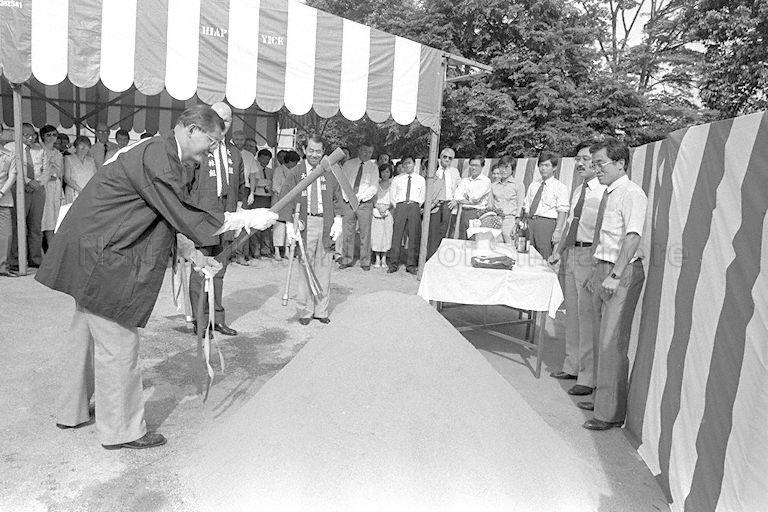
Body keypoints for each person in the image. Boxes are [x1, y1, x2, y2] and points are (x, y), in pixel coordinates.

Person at [35, 105, 278, 449]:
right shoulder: (158, 158)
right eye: (211, 140)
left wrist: (195, 255)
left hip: (90, 246)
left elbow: (166, 217)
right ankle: (122, 430)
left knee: (85, 335)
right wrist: (246, 219)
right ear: (191, 129)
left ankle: (71, 410)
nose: (212, 149)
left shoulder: (163, 154)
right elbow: (185, 215)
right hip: (104, 255)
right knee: (119, 343)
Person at [580, 138, 647, 431]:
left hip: (622, 271)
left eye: (600, 163)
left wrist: (615, 275)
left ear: (621, 163)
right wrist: (597, 271)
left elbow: (632, 238)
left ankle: (610, 413)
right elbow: (606, 238)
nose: (596, 169)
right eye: (594, 164)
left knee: (611, 341)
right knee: (600, 338)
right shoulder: (610, 193)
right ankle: (600, 399)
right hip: (604, 266)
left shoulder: (632, 194)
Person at [547, 141, 606, 397]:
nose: (580, 163)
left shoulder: (603, 191)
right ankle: (571, 365)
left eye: (585, 159)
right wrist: (558, 252)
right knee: (571, 312)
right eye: (578, 158)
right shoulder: (578, 190)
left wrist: (595, 262)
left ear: (596, 163)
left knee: (587, 315)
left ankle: (587, 376)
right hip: (571, 253)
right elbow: (572, 224)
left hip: (589, 255)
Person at [187, 102, 246, 338]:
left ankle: (217, 318)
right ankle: (199, 321)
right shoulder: (198, 149)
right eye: (218, 119)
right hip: (203, 219)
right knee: (200, 269)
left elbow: (240, 187)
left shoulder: (235, 153)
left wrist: (239, 213)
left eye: (228, 120)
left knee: (219, 271)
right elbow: (187, 186)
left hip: (227, 219)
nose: (224, 125)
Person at [279, 136, 343, 325]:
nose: (315, 154)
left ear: (323, 151)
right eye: (311, 150)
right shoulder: (296, 172)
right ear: (304, 150)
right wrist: (290, 224)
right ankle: (305, 311)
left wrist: (338, 219)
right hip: (304, 223)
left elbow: (337, 198)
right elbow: (285, 198)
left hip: (325, 223)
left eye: (319, 151)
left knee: (324, 267)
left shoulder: (329, 172)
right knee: (305, 267)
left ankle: (321, 310)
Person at [6, 123, 50, 269]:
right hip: (18, 188)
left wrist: (38, 183)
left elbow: (46, 170)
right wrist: (28, 181)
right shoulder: (10, 147)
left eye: (33, 135)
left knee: (36, 226)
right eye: (26, 135)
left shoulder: (40, 149)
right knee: (18, 225)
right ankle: (15, 260)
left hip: (38, 190)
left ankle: (35, 259)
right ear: (17, 134)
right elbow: (13, 168)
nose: (30, 138)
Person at [522, 151, 569, 259]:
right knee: (527, 255)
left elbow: (562, 210)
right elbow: (526, 205)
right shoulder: (533, 185)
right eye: (541, 165)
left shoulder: (560, 187)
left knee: (544, 255)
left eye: (547, 165)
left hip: (546, 224)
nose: (543, 168)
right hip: (530, 223)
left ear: (554, 168)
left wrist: (558, 231)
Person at [339, 142, 378, 271]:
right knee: (348, 231)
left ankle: (365, 261)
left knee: (365, 233)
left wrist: (359, 198)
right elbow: (342, 181)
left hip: (364, 204)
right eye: (365, 151)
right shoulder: (348, 164)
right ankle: (346, 259)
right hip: (348, 202)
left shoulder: (373, 167)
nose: (367, 154)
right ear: (359, 150)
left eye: (370, 152)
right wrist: (348, 197)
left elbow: (373, 187)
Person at [387, 156, 425, 275]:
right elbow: (392, 195)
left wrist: (416, 204)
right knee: (397, 235)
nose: (408, 166)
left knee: (414, 235)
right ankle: (393, 264)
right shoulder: (397, 179)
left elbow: (422, 195)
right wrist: (398, 205)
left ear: (414, 164)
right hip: (400, 206)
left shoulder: (420, 179)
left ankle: (411, 265)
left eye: (410, 163)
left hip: (414, 206)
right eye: (405, 164)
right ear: (402, 166)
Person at [453, 154, 491, 240]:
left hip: (478, 213)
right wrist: (469, 201)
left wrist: (465, 197)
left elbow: (476, 197)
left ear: (482, 166)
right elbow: (456, 196)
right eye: (471, 165)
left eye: (476, 165)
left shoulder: (486, 181)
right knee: (462, 238)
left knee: (475, 240)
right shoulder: (465, 180)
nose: (473, 168)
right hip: (464, 212)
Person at [39, 125, 64, 251]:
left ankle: (52, 250)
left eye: (54, 135)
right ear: (43, 136)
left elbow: (60, 173)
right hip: (44, 187)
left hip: (56, 187)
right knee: (44, 219)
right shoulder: (39, 150)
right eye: (48, 135)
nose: (51, 137)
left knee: (55, 220)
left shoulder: (58, 153)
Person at [271, 150, 300, 260]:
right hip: (279, 200)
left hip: (291, 202)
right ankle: (277, 251)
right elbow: (275, 186)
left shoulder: (295, 171)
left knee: (290, 226)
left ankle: (287, 250)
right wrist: (285, 196)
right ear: (291, 161)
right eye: (295, 162)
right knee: (279, 226)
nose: (296, 164)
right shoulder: (278, 170)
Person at [246, 148, 274, 260]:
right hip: (257, 197)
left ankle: (265, 249)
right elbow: (254, 182)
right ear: (258, 157)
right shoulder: (254, 168)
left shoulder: (270, 171)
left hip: (267, 198)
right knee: (256, 225)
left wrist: (266, 183)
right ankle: (255, 250)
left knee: (266, 225)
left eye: (268, 160)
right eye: (263, 159)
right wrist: (266, 183)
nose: (265, 161)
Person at [489, 160, 523, 244]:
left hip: (510, 220)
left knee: (510, 248)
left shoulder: (518, 185)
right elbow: (490, 205)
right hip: (496, 221)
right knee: (496, 248)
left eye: (506, 167)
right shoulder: (493, 186)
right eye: (501, 167)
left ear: (512, 169)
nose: (503, 170)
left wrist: (516, 224)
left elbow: (520, 204)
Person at [371, 163, 394, 268]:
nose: (385, 174)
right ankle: (377, 258)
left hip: (387, 212)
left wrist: (387, 207)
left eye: (387, 172)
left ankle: (384, 258)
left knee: (386, 235)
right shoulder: (376, 184)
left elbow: (394, 199)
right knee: (376, 235)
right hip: (376, 211)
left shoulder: (393, 185)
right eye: (383, 171)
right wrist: (378, 207)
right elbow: (373, 198)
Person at [435, 147, 461, 241]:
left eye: (450, 158)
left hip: (448, 204)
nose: (447, 159)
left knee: (446, 231)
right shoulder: (435, 170)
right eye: (445, 157)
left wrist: (456, 200)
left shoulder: (455, 172)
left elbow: (460, 188)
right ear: (440, 157)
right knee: (434, 230)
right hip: (435, 204)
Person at [63, 136, 98, 204]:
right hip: (73, 192)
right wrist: (80, 190)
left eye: (87, 145)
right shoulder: (68, 158)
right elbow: (67, 179)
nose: (84, 147)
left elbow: (95, 178)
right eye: (81, 145)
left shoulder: (91, 160)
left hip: (88, 193)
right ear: (76, 146)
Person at [0, 145, 17, 277]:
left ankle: (3, 267)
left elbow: (12, 176)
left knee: (6, 235)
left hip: (3, 199)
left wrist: (1, 192)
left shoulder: (10, 155)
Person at [425, 162, 447, 259]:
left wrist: (430, 207)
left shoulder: (441, 181)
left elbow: (441, 197)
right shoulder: (422, 181)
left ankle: (430, 258)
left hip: (434, 211)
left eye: (432, 168)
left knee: (433, 235)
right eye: (428, 168)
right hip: (421, 211)